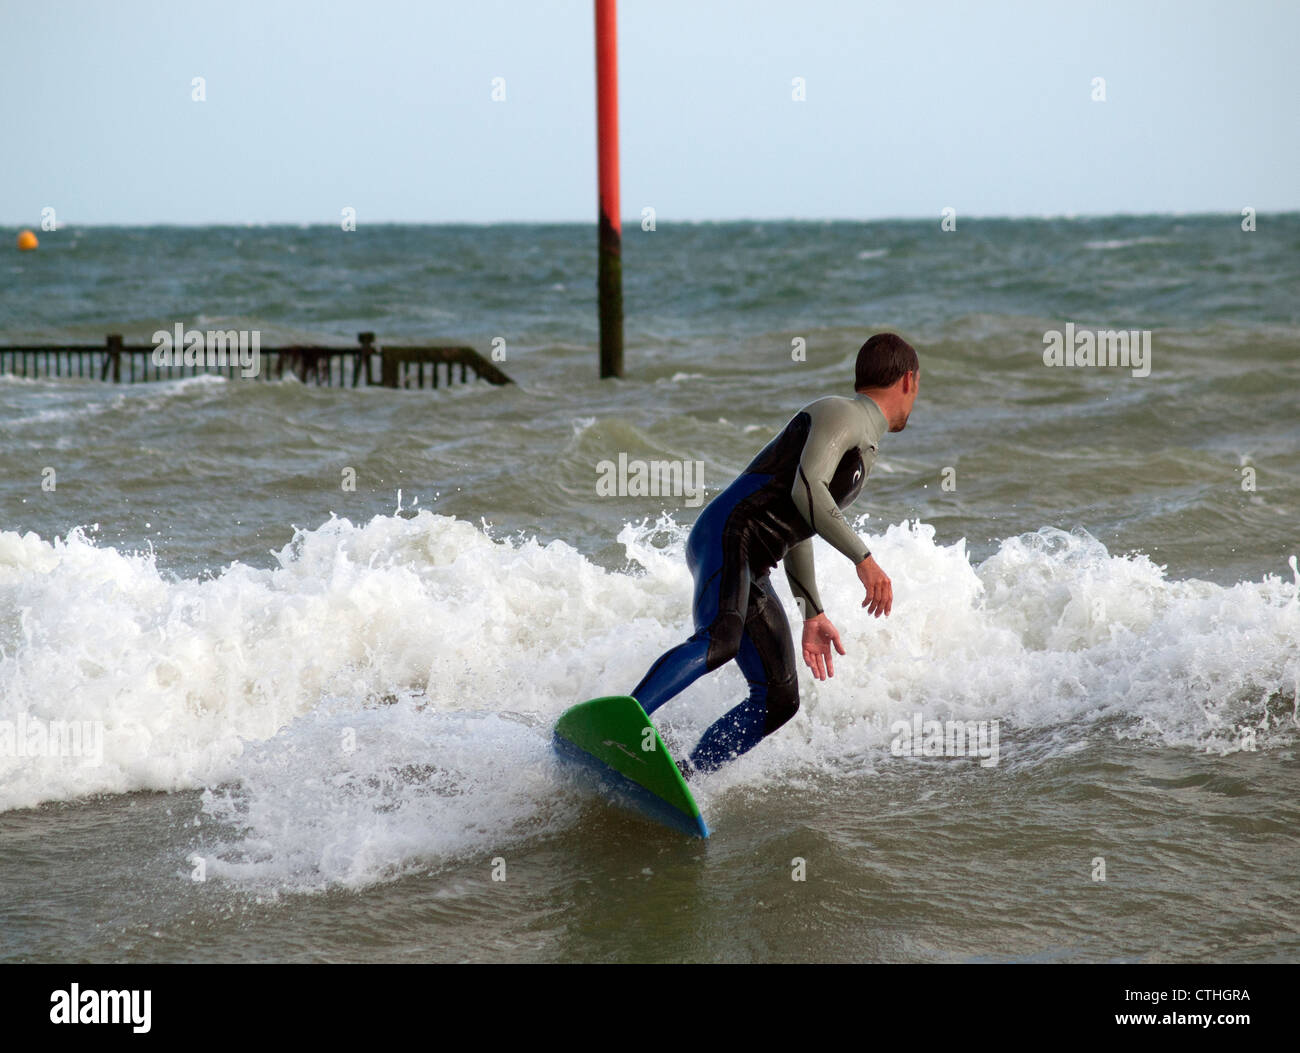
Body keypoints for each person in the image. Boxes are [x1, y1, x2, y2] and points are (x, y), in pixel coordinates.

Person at [629, 332, 920, 776]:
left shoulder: (862, 444)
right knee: (721, 638)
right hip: (731, 533)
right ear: (909, 381)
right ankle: (627, 719)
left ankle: (686, 776)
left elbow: (801, 523)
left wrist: (812, 611)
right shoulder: (842, 413)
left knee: (779, 700)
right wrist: (864, 559)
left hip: (755, 560)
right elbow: (808, 488)